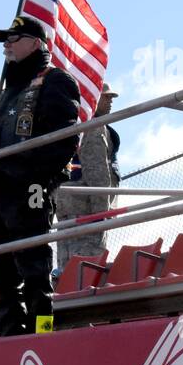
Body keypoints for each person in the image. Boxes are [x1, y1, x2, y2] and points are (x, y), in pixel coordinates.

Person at [0, 15, 80, 336]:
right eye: (4, 42)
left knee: (35, 272)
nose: (6, 47)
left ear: (35, 43)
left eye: (13, 40)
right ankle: (9, 336)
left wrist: (28, 174)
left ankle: (43, 334)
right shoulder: (7, 91)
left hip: (29, 191)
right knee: (1, 276)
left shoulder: (56, 80)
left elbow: (65, 139)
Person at [53, 84, 120, 270]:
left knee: (68, 270)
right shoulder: (93, 127)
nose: (110, 101)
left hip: (67, 209)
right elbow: (97, 172)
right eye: (105, 97)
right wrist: (102, 214)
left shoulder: (70, 124)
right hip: (88, 210)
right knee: (86, 269)